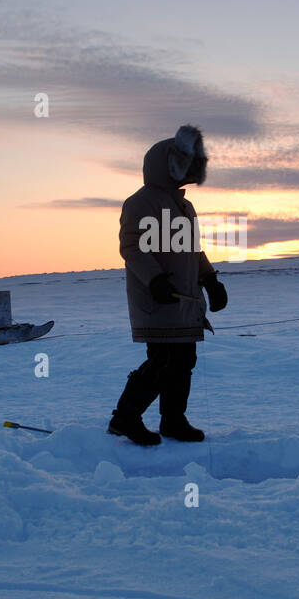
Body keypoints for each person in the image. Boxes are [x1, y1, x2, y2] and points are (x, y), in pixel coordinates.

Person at [109, 125, 227, 446]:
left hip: (185, 301)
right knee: (161, 361)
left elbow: (193, 249)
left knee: (184, 361)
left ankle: (173, 419)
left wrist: (211, 279)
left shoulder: (185, 207)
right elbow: (132, 247)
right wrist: (155, 279)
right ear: (168, 166)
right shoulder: (141, 203)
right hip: (158, 300)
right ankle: (125, 417)